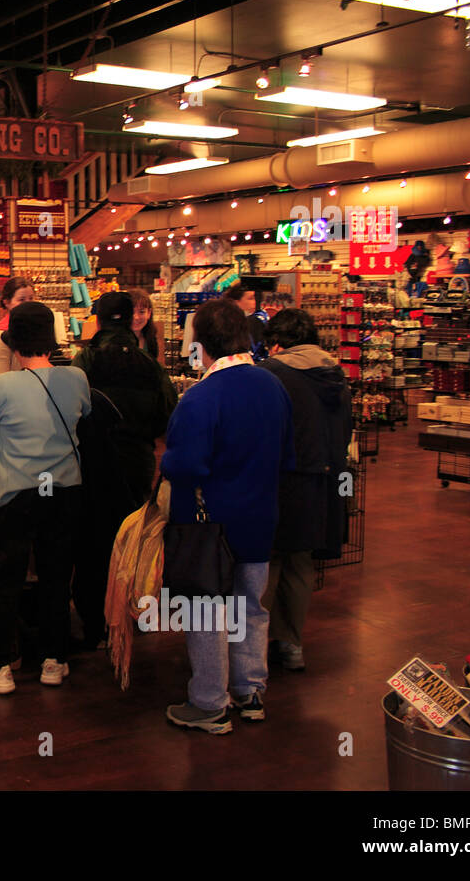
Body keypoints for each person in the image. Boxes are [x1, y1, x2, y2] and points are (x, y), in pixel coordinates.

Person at [160, 298, 294, 734]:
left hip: (207, 525)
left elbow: (183, 466)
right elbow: (287, 455)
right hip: (259, 515)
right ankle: (250, 692)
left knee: (205, 612)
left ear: (202, 342)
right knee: (251, 606)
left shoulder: (201, 397)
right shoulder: (272, 385)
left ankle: (209, 702)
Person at [0, 302, 91, 694]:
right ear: (50, 342)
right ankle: (55, 660)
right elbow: (82, 414)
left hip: (16, 494)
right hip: (64, 492)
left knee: (6, 581)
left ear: (14, 344)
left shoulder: (0, 386)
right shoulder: (76, 378)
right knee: (55, 577)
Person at [70, 292, 178, 648]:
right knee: (133, 539)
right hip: (137, 461)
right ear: (132, 318)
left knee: (93, 541)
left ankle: (95, 624)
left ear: (97, 321)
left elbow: (71, 412)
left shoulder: (85, 360)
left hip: (94, 461)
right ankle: (133, 614)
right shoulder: (150, 365)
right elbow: (167, 415)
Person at [258, 309, 352, 672]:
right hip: (323, 481)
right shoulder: (334, 373)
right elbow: (344, 431)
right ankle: (291, 644)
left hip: (282, 480)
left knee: (267, 562)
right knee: (300, 563)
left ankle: (253, 644)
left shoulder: (273, 373)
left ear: (278, 342)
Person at [0, 277, 67, 379]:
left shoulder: (38, 329)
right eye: (22, 300)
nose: (28, 303)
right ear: (6, 302)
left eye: (31, 298)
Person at [225, 283, 269, 360]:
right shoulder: (227, 323)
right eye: (251, 298)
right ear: (236, 302)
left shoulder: (258, 319)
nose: (256, 302)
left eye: (257, 298)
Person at [127, 287, 166, 366]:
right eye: (131, 312)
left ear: (149, 313)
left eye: (141, 312)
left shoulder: (151, 339)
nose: (136, 317)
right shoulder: (116, 343)